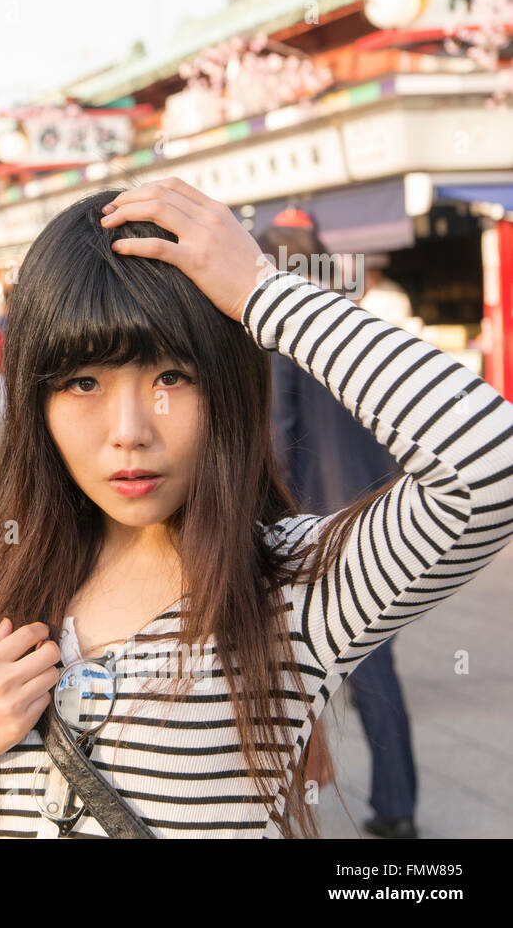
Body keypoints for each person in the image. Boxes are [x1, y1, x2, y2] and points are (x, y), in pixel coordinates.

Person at [0, 177, 513, 839]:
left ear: (227, 389)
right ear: (37, 398)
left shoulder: (292, 586)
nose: (129, 430)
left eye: (171, 378)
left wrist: (263, 293)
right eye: (83, 382)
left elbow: (490, 467)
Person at [260, 224, 421, 839]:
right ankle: (395, 802)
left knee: (300, 672)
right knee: (375, 669)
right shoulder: (358, 328)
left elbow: (279, 433)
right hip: (381, 511)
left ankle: (295, 807)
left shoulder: (283, 337)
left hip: (322, 525)